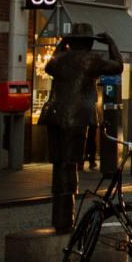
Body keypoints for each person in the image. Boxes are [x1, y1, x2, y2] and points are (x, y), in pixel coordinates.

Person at [42, 25, 123, 232]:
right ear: (89, 42)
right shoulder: (92, 59)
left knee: (59, 164)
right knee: (70, 164)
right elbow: (118, 66)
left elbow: (49, 66)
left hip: (55, 116)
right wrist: (112, 43)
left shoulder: (59, 60)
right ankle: (65, 220)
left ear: (70, 41)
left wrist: (62, 43)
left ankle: (60, 218)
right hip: (78, 116)